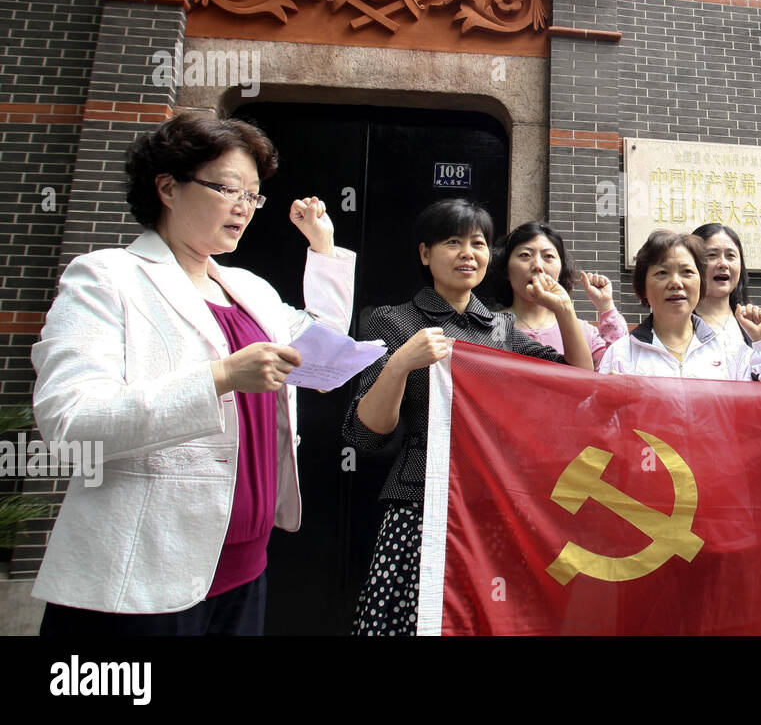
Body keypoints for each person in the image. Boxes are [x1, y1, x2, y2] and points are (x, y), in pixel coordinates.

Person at [31, 113, 355, 635]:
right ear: (168, 188)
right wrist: (218, 377)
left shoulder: (248, 288)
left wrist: (323, 248)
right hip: (141, 573)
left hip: (246, 568)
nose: (244, 208)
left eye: (253, 195)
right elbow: (71, 426)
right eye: (229, 189)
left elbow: (323, 347)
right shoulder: (107, 277)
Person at [344, 199, 594, 635]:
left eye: (478, 243)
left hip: (489, 503)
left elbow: (579, 383)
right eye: (452, 242)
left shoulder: (500, 329)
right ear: (425, 254)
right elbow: (366, 434)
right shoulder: (392, 321)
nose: (467, 253)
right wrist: (401, 363)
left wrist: (565, 311)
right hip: (418, 499)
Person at [598, 230, 761, 381]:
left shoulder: (731, 349)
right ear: (643, 287)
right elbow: (601, 424)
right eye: (662, 273)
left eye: (687, 272)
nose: (676, 282)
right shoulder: (621, 354)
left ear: (701, 282)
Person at [482, 221, 628, 367]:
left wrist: (606, 306)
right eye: (525, 255)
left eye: (548, 256)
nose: (538, 266)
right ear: (506, 268)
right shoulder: (486, 326)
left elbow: (620, 367)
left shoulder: (583, 332)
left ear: (561, 271)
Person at [691, 223, 751, 360]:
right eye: (712, 255)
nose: (723, 264)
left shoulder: (754, 321)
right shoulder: (678, 323)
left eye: (730, 256)